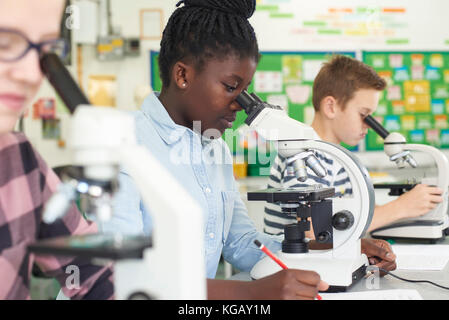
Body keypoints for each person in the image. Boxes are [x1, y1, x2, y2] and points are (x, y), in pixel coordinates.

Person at [101, 0, 396, 299]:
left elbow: (241, 242)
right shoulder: (119, 144)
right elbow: (117, 276)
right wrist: (251, 293)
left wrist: (334, 250)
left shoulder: (215, 150)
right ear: (183, 76)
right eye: (231, 87)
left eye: (245, 92)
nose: (240, 106)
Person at [0, 0, 113, 299]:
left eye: (45, 52)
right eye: (3, 43)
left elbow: (90, 271)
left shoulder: (20, 160)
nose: (30, 75)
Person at [263, 55, 444, 236]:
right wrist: (400, 207)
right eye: (364, 114)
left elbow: (360, 214)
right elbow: (313, 229)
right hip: (292, 263)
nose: (368, 125)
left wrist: (414, 209)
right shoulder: (303, 155)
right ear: (331, 107)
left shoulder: (338, 158)